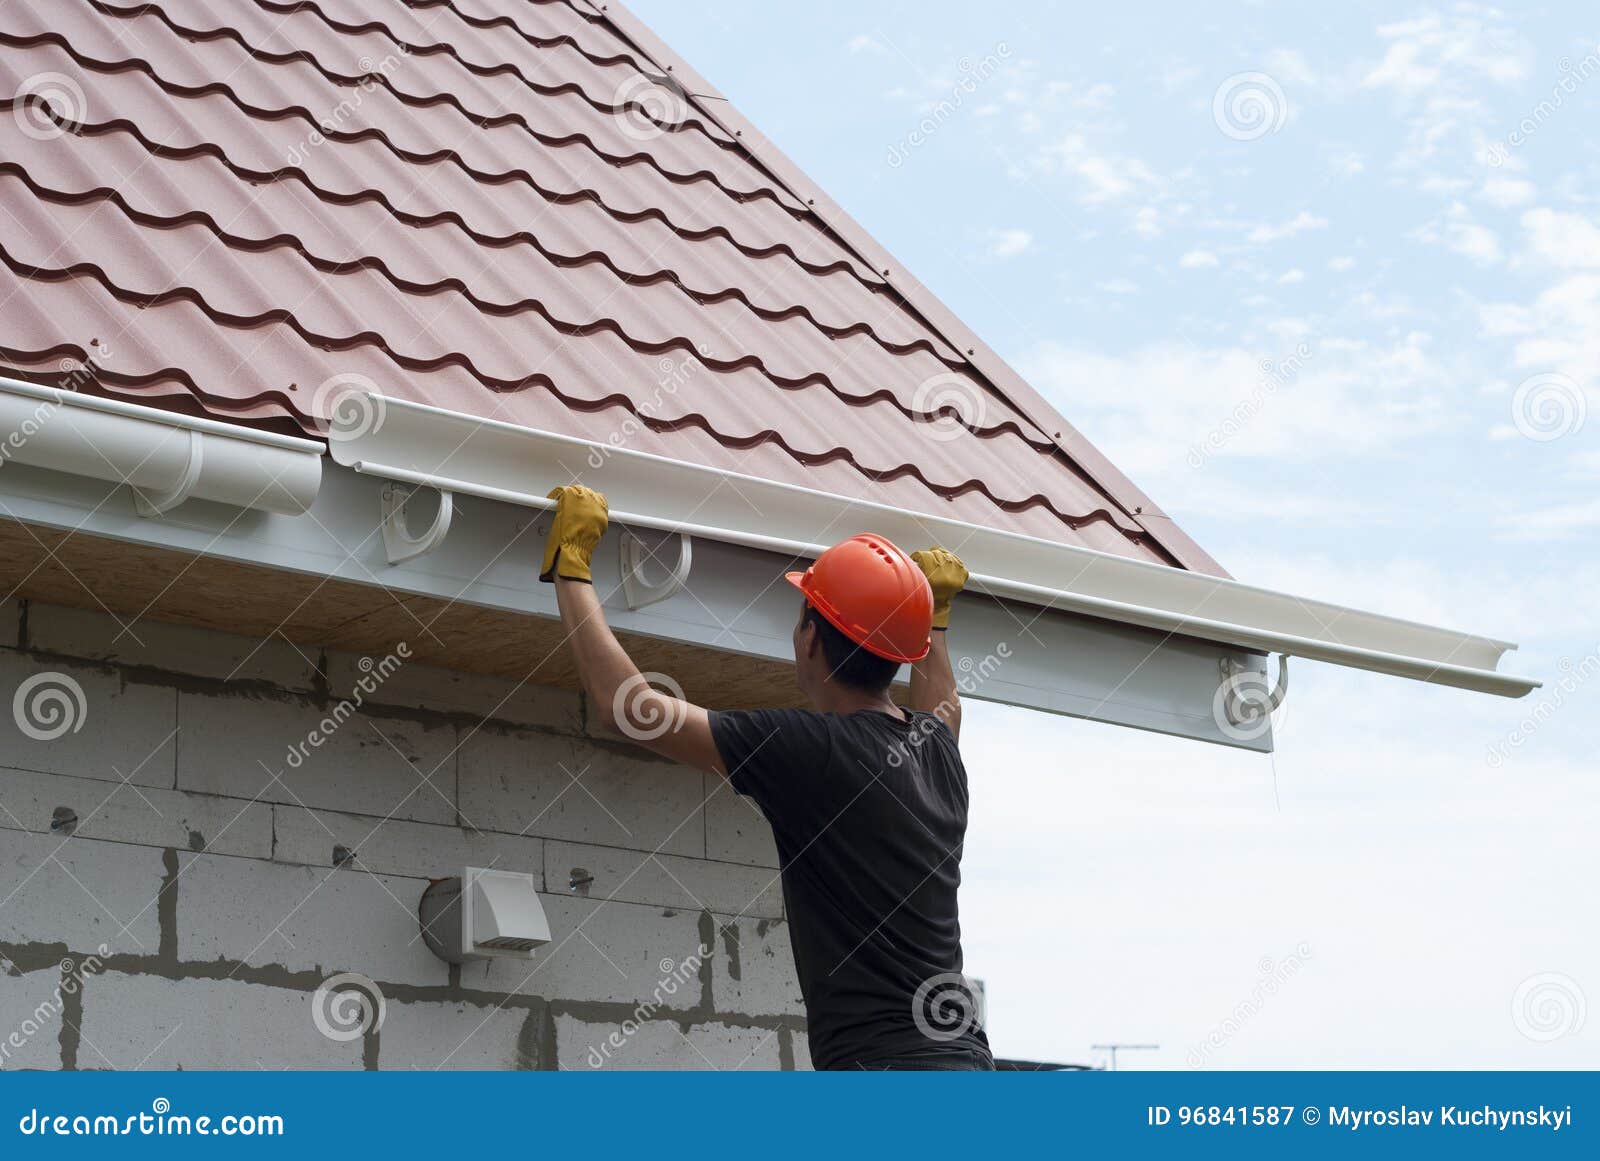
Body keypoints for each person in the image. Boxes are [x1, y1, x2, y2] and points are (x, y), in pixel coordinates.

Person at [542, 484, 993, 1071]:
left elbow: (628, 707)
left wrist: (571, 566)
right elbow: (942, 703)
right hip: (964, 1062)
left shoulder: (811, 751)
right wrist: (933, 616)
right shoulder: (938, 753)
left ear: (810, 637)